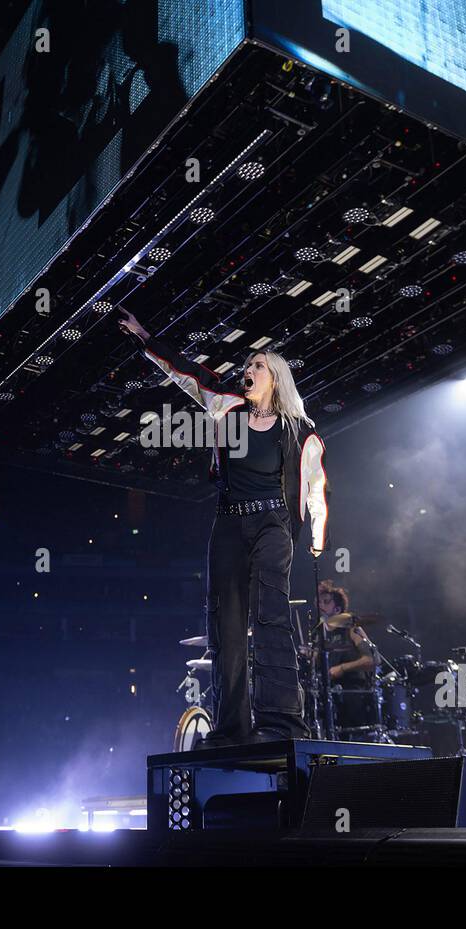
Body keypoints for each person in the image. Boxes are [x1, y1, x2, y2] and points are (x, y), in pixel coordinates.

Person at [118, 307, 328, 746]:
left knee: (272, 616)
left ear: (276, 379)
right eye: (247, 364)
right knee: (226, 625)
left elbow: (315, 487)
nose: (248, 370)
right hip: (230, 522)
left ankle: (282, 723)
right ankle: (233, 727)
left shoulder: (299, 431)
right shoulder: (226, 408)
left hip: (273, 523)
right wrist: (146, 338)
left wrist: (318, 537)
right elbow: (187, 373)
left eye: (258, 366)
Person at [316, 580, 377, 734]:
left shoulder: (352, 629)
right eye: (318, 601)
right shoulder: (319, 635)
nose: (320, 605)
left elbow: (372, 660)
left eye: (326, 602)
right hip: (328, 696)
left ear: (337, 609)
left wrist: (343, 668)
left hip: (353, 694)